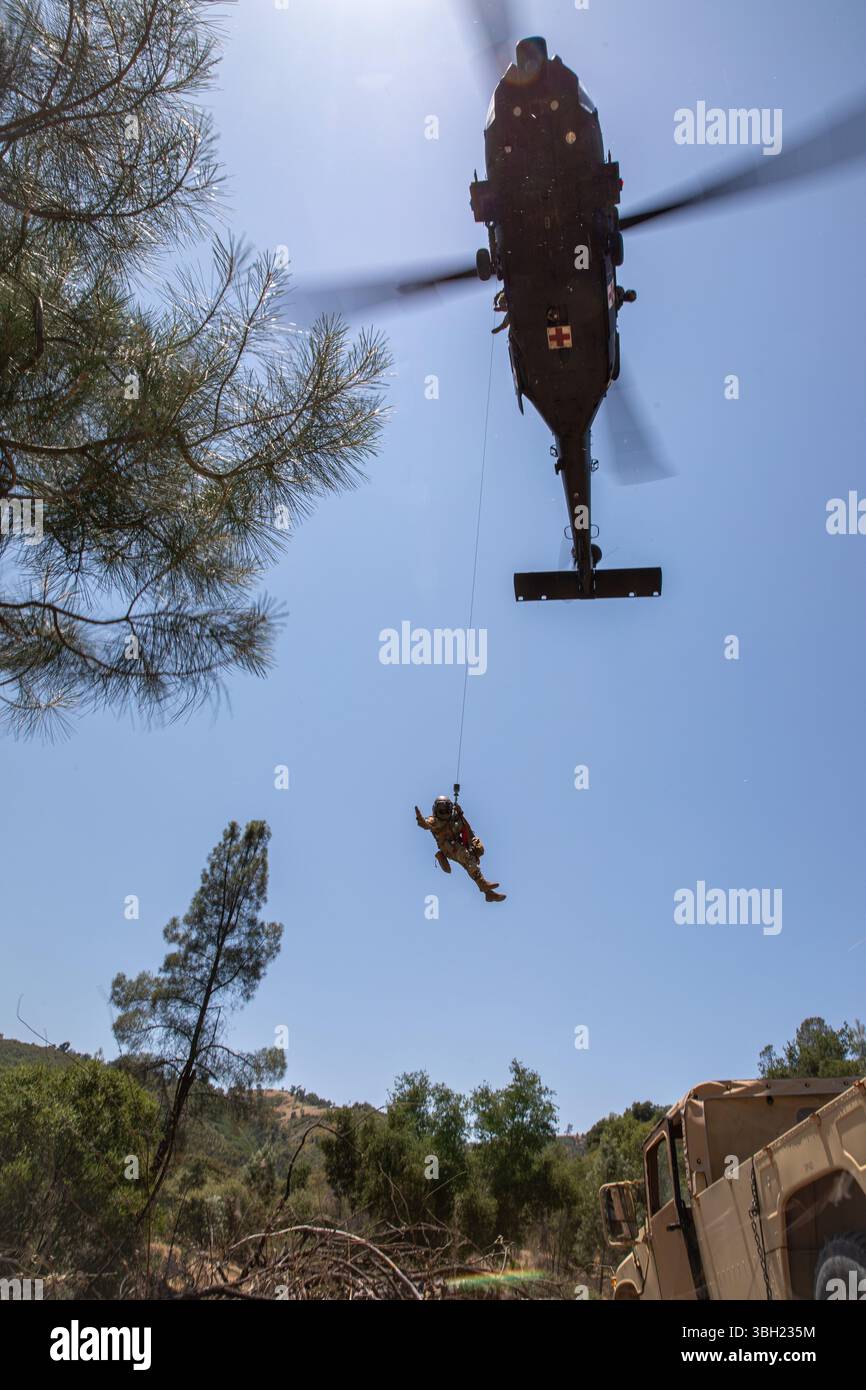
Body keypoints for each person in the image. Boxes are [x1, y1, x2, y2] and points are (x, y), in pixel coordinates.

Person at [414, 795, 506, 902]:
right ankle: (483, 884)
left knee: (475, 854)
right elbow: (425, 824)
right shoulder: (434, 820)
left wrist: (461, 815)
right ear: (436, 810)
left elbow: (467, 829)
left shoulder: (455, 817)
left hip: (459, 843)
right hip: (448, 848)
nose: (444, 812)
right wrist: (420, 819)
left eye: (446, 808)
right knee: (465, 855)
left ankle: (489, 894)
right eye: (441, 809)